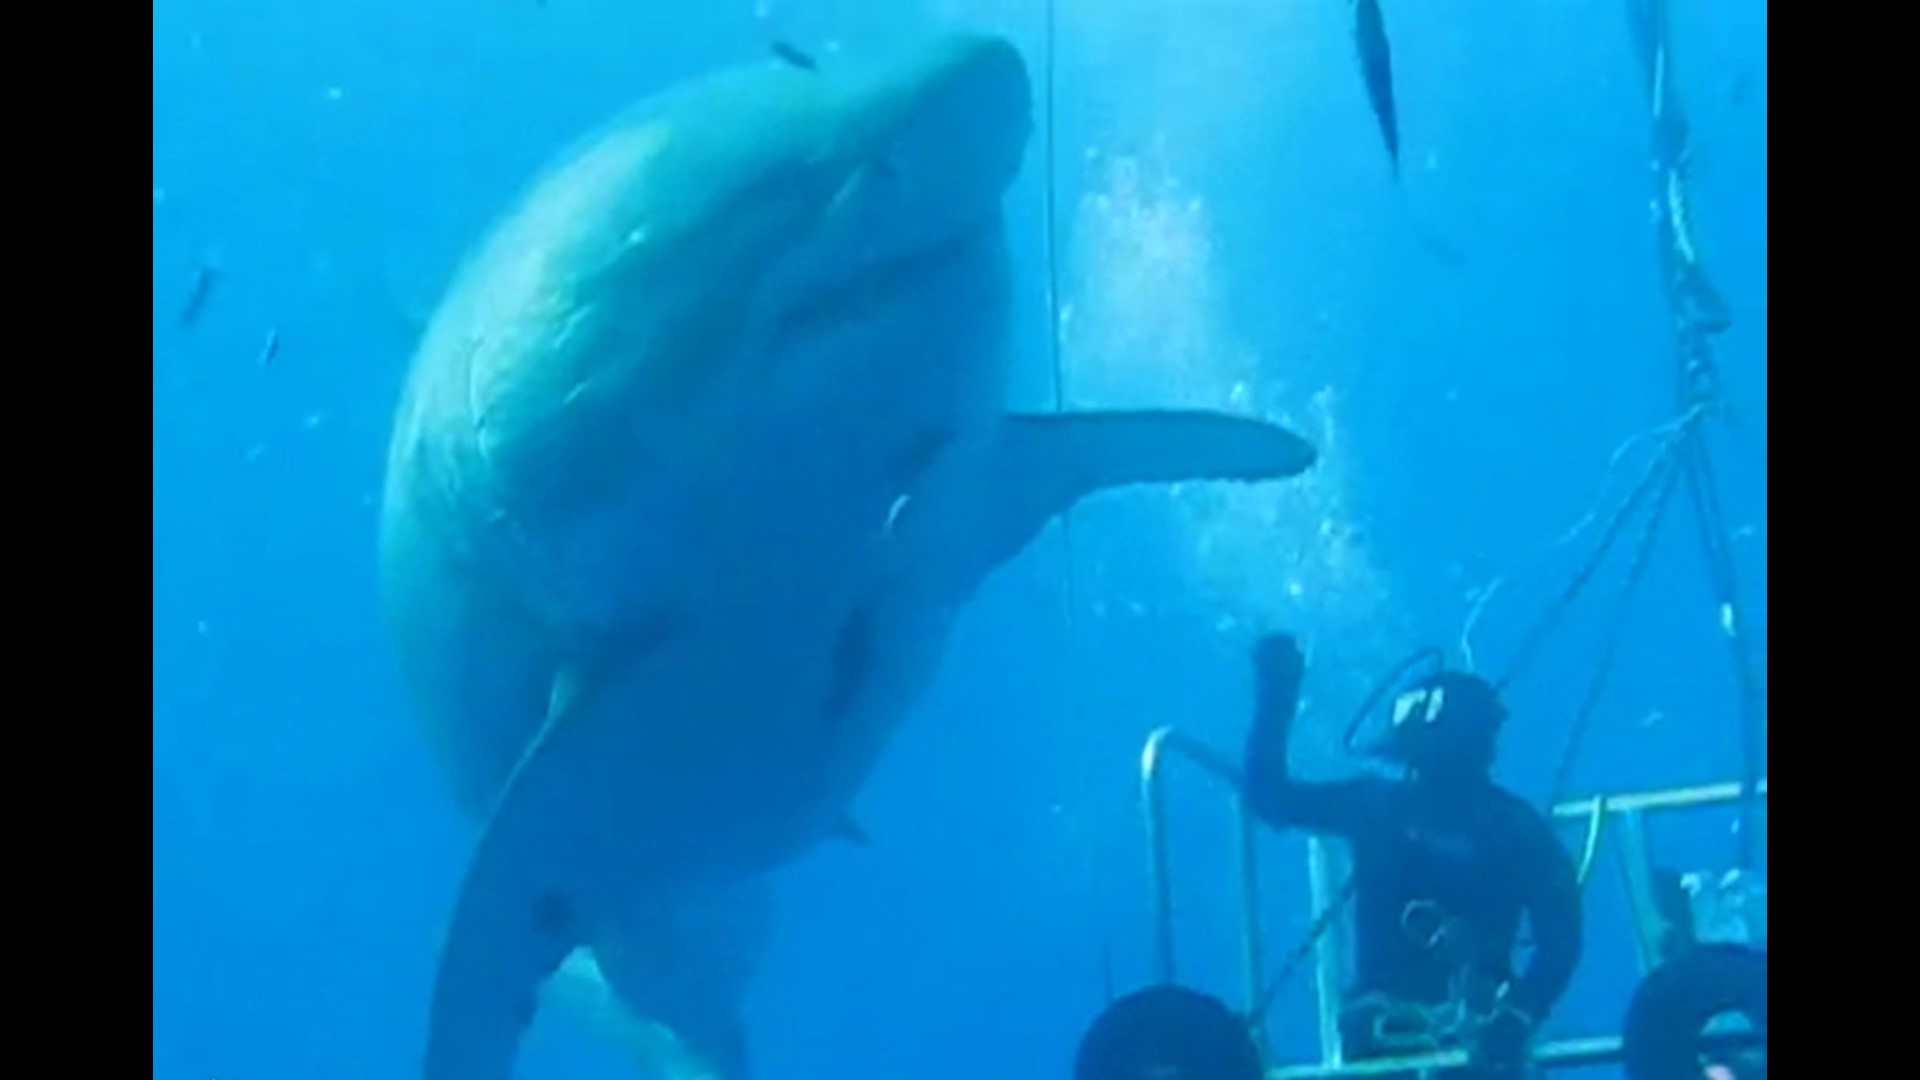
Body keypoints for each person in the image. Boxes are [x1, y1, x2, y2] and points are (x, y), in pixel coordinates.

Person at [1240, 633, 1583, 1078]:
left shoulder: (1379, 806)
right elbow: (1562, 940)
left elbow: (1270, 797)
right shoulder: (1513, 825)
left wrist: (1276, 693)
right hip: (1435, 1033)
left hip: (1450, 1032)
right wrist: (1518, 1013)